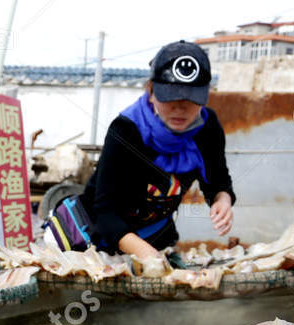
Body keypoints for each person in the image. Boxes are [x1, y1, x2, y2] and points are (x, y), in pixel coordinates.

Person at [80, 40, 235, 258]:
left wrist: (222, 200)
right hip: (101, 241)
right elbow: (105, 214)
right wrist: (151, 259)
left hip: (156, 235)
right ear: (151, 92)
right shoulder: (126, 130)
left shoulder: (207, 129)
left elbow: (218, 180)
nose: (180, 109)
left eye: (190, 99)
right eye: (170, 97)